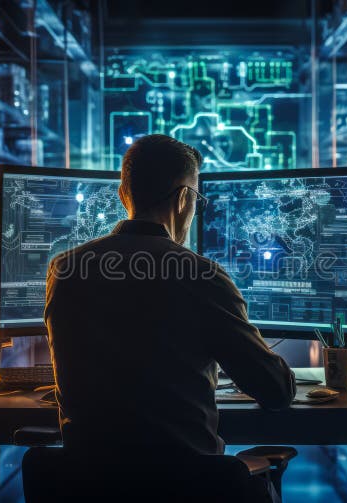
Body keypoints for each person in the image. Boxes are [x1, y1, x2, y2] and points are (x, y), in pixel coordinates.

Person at [44, 134, 296, 500]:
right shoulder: (202, 275)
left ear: (122, 195)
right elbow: (275, 392)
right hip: (191, 491)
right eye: (195, 199)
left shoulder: (64, 269)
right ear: (183, 199)